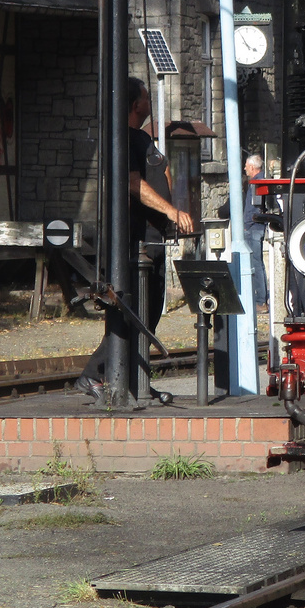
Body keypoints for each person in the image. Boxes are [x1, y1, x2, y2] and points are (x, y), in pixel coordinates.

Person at [76, 77, 195, 402]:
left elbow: (157, 174)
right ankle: (93, 375)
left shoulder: (141, 137)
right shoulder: (123, 140)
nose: (149, 103)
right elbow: (132, 183)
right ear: (135, 104)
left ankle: (134, 381)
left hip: (153, 243)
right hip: (134, 245)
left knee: (149, 317)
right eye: (145, 98)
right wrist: (171, 210)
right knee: (133, 315)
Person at [244, 153, 271, 310]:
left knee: (256, 263)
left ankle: (261, 300)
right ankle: (259, 298)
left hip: (254, 227)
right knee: (256, 263)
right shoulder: (259, 181)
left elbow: (255, 207)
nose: (245, 168)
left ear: (252, 167)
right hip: (255, 226)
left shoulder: (257, 182)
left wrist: (247, 223)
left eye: (246, 166)